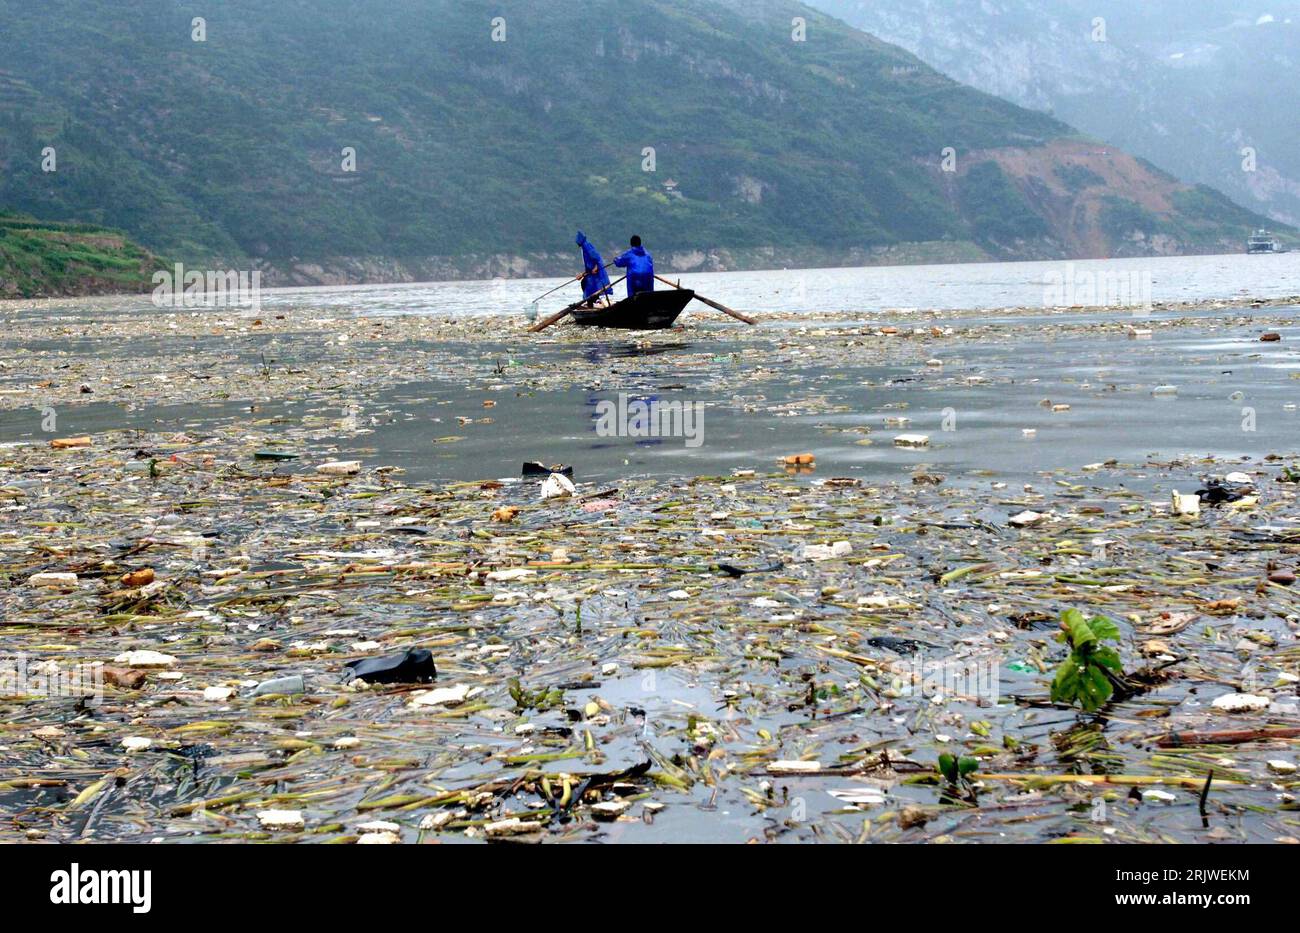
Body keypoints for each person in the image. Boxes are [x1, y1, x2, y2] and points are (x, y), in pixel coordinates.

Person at [574, 231, 612, 306]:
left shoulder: (587, 246)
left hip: (595, 274)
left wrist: (596, 266)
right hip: (590, 274)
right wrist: (582, 274)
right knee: (584, 283)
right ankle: (591, 303)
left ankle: (595, 302)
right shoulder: (584, 248)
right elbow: (588, 267)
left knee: (593, 287)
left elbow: (597, 258)